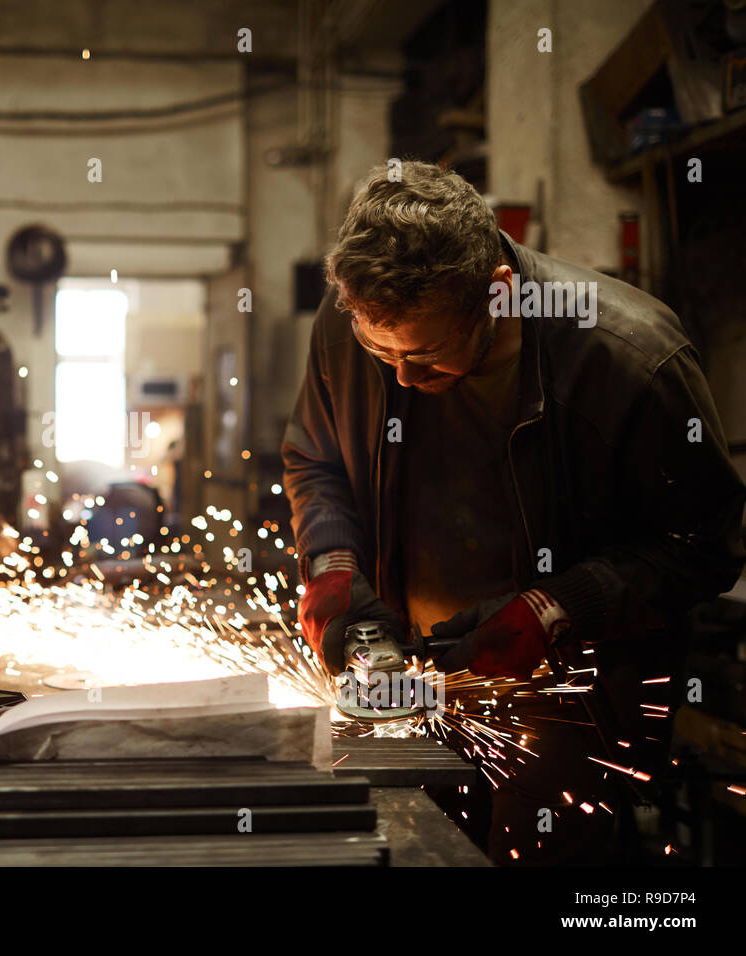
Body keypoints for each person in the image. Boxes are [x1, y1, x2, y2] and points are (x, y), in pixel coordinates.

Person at [282, 160, 745, 863]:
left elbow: (703, 544)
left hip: (566, 704)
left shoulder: (630, 360)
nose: (401, 377)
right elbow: (315, 461)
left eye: (426, 354)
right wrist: (334, 563)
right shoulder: (354, 317)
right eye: (381, 351)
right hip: (403, 684)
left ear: (497, 295)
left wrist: (555, 608)